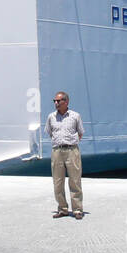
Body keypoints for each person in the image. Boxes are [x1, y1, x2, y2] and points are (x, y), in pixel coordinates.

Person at [46, 91, 85, 219]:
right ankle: (62, 209)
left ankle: (77, 210)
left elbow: (80, 133)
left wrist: (70, 143)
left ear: (66, 102)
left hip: (72, 151)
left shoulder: (75, 116)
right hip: (57, 151)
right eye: (54, 101)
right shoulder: (51, 117)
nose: (56, 103)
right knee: (58, 182)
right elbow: (49, 132)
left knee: (75, 180)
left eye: (58, 101)